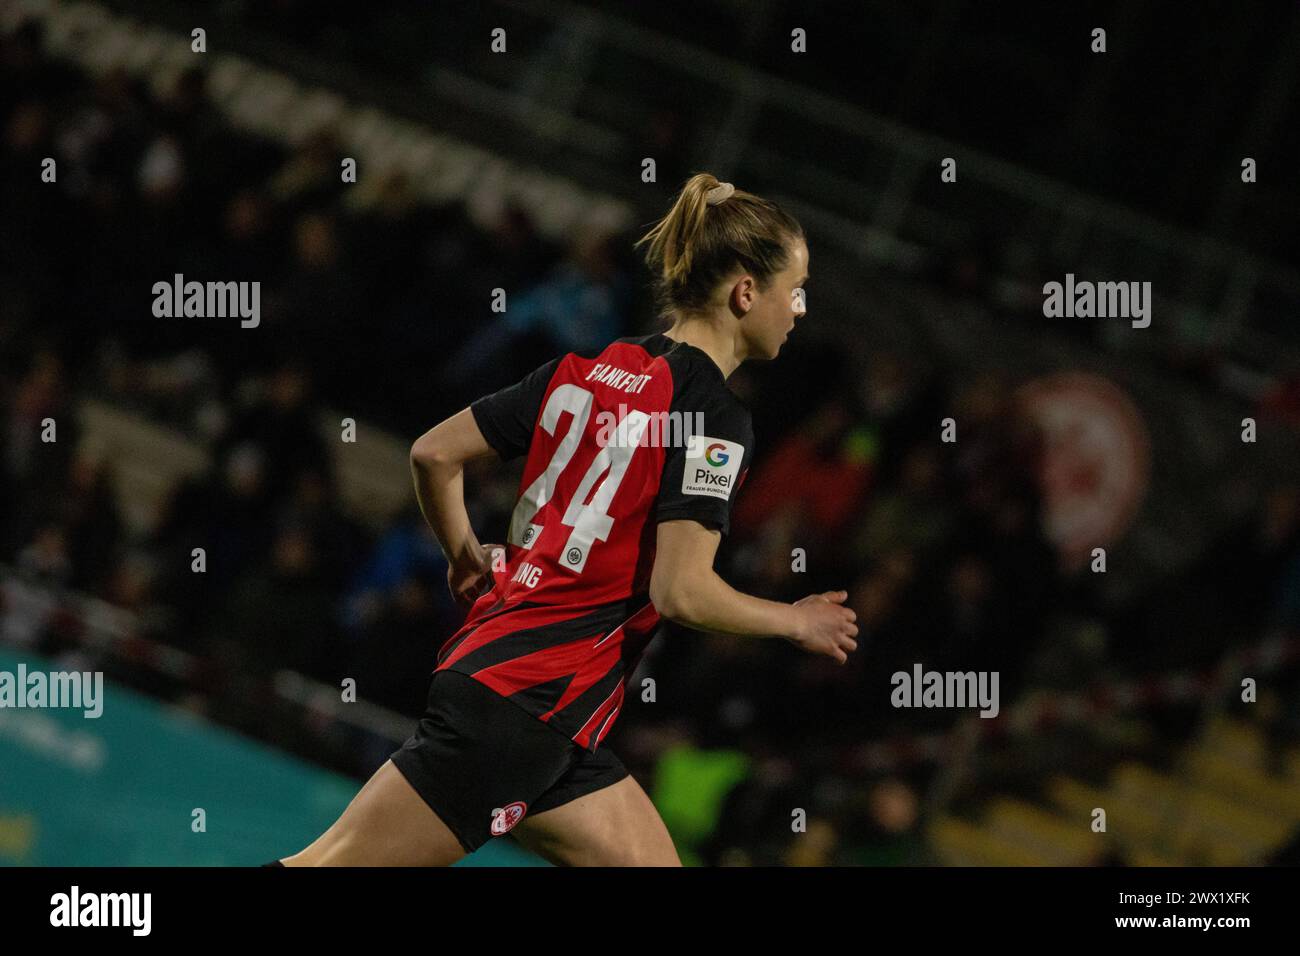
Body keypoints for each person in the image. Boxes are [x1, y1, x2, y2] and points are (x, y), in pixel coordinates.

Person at [268, 173, 858, 867]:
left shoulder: (589, 367)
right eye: (796, 287)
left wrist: (463, 556)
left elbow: (433, 454)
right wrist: (794, 620)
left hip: (546, 711)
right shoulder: (715, 418)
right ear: (745, 293)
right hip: (524, 707)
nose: (800, 307)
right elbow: (682, 591)